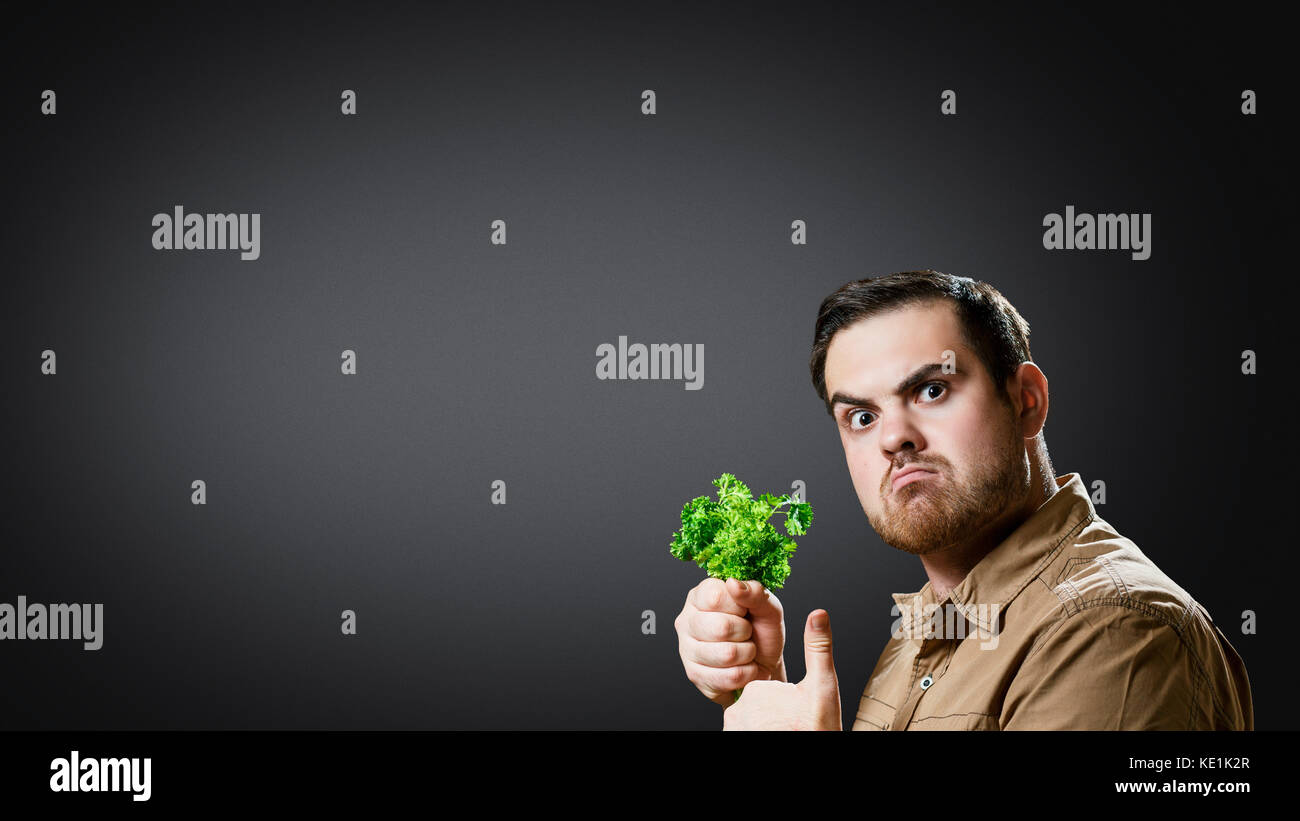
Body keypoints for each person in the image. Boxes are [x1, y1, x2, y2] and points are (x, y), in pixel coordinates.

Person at [674, 270, 1253, 730]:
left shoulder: (1110, 630)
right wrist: (764, 689)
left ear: (1025, 399)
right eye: (861, 415)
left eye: (931, 390)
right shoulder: (930, 630)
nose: (893, 436)